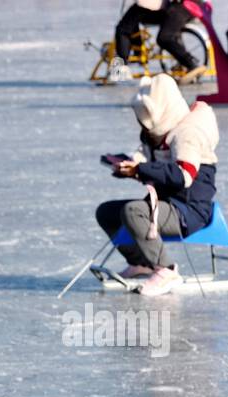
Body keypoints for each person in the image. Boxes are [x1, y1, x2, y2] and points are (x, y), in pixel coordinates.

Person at [94, 73, 219, 296]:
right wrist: (128, 165)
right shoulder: (155, 135)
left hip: (188, 210)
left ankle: (167, 270)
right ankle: (142, 262)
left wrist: (140, 170)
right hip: (164, 205)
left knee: (133, 211)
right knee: (106, 212)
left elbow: (183, 176)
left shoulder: (187, 133)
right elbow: (144, 157)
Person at [109, 1, 207, 83]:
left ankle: (121, 68)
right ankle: (137, 54)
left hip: (178, 7)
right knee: (133, 19)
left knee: (123, 28)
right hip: (187, 6)